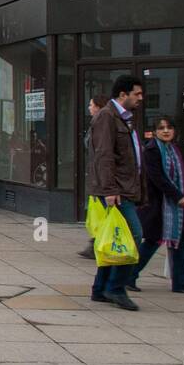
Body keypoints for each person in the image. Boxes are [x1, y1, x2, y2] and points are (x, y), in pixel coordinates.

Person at [130, 116, 184, 295]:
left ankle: (182, 282)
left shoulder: (172, 150)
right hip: (158, 205)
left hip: (174, 208)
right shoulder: (152, 150)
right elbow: (158, 179)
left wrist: (179, 197)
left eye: (169, 127)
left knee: (182, 240)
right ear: (155, 131)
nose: (165, 131)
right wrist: (178, 196)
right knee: (152, 241)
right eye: (161, 128)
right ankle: (127, 277)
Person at [89, 75, 144, 311]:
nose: (140, 98)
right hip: (116, 190)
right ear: (123, 94)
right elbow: (104, 155)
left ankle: (101, 288)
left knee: (116, 238)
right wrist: (110, 190)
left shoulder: (122, 118)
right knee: (133, 236)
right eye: (137, 94)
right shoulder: (107, 117)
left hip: (124, 188)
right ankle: (116, 287)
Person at [77, 96, 105, 259]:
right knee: (98, 213)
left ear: (98, 107)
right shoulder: (96, 123)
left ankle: (98, 243)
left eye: (91, 105)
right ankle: (95, 242)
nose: (89, 108)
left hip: (101, 177)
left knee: (103, 212)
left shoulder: (102, 124)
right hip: (97, 175)